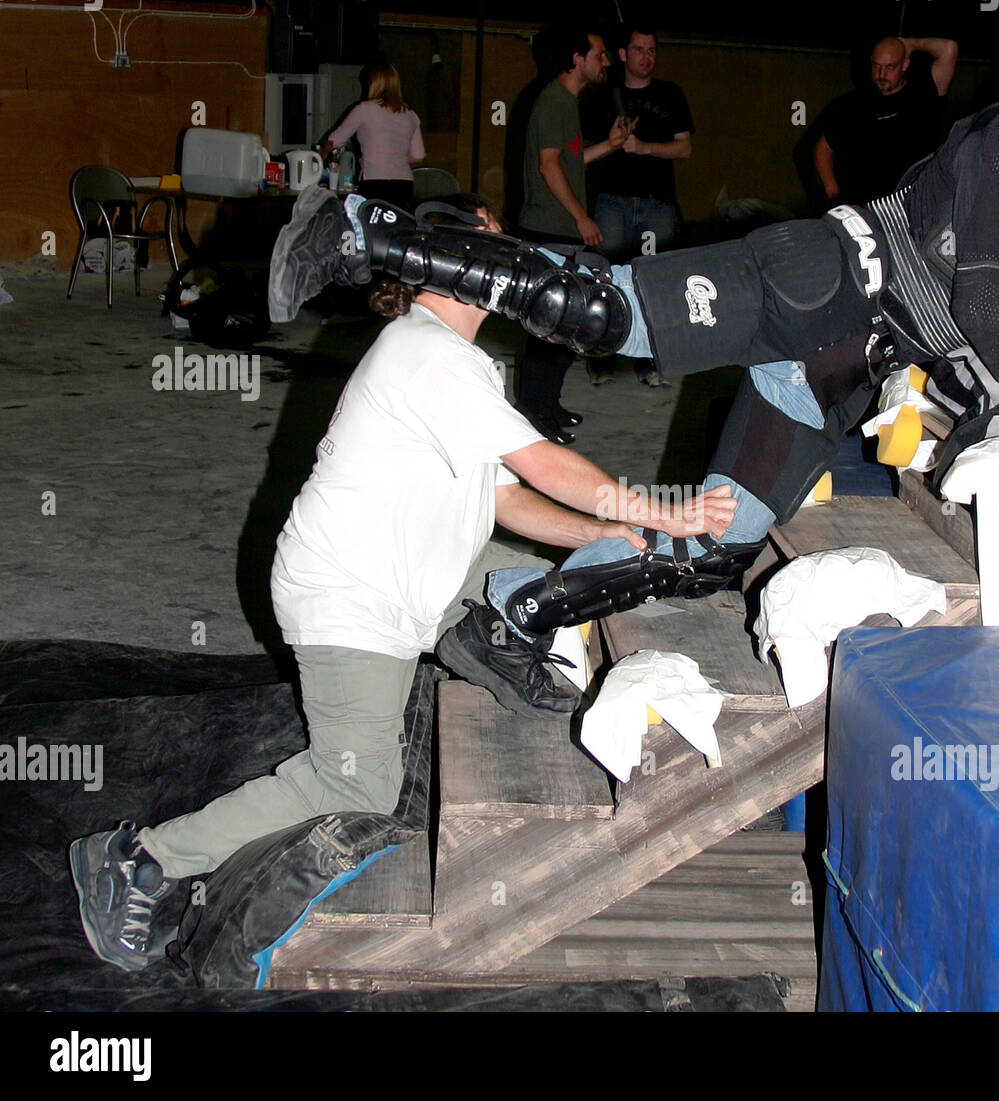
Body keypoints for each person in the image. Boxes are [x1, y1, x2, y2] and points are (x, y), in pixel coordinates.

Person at [269, 40, 999, 684]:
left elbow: (966, 323)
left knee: (712, 546)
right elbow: (982, 304)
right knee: (605, 310)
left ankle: (511, 612)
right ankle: (365, 233)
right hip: (815, 277)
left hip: (834, 365)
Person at [68, 193, 737, 972]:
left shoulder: (454, 360)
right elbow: (546, 468)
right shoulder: (427, 355)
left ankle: (476, 631)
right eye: (493, 247)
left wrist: (608, 534)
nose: (513, 266)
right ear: (450, 263)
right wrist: (664, 508)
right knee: (356, 783)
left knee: (539, 582)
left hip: (416, 569)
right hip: (351, 601)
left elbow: (503, 499)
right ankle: (142, 858)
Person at [515, 22, 633, 444]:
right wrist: (582, 218)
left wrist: (610, 145)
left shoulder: (565, 103)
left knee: (563, 328)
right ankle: (535, 416)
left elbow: (567, 162)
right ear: (576, 59)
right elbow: (549, 168)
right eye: (599, 54)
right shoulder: (554, 102)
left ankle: (547, 406)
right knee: (551, 327)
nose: (606, 62)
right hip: (549, 230)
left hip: (558, 229)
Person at [582, 23, 694, 386]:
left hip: (656, 205)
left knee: (654, 284)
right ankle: (602, 358)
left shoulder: (670, 94)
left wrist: (644, 148)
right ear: (623, 55)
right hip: (611, 203)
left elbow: (685, 147)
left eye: (652, 50)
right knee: (606, 279)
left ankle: (650, 361)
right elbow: (577, 150)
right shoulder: (601, 95)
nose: (647, 57)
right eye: (640, 50)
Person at [814, 35, 959, 206]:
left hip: (915, 201)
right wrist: (832, 190)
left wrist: (911, 44)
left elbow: (949, 49)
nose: (882, 74)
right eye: (877, 66)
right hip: (867, 206)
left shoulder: (924, 93)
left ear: (905, 64)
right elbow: (823, 147)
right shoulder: (853, 105)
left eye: (890, 67)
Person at [320, 61, 424, 211]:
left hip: (374, 181)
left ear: (373, 83)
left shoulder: (364, 109)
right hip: (404, 184)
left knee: (371, 225)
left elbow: (335, 141)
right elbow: (418, 156)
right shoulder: (410, 115)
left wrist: (321, 153)